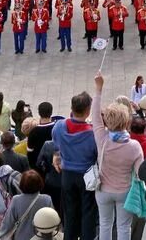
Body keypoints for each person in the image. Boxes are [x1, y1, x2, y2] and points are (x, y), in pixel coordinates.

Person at [91, 73, 142, 240]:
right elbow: (140, 174)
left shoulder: (101, 137)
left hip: (103, 189)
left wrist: (99, 89)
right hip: (124, 192)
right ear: (127, 121)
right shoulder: (134, 146)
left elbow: (95, 114)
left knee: (105, 224)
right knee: (123, 227)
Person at [52, 92, 97, 240]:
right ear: (88, 111)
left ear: (71, 108)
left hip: (68, 175)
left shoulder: (59, 127)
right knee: (88, 212)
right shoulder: (92, 133)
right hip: (87, 176)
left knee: (70, 213)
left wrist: (59, 155)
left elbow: (56, 144)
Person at [0, 171, 53, 240]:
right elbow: (51, 221)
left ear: (22, 184)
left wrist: (2, 236)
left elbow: (8, 222)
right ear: (40, 182)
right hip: (41, 237)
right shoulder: (46, 199)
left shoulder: (16, 200)